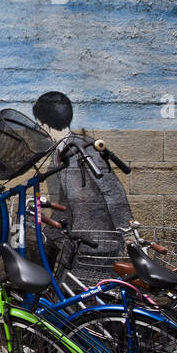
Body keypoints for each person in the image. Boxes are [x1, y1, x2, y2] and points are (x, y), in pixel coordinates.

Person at [32, 90, 133, 280]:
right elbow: (64, 205)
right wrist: (47, 234)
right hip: (80, 242)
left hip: (99, 243)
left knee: (80, 296)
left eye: (39, 124)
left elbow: (113, 192)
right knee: (67, 291)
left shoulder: (86, 150)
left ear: (46, 125)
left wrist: (129, 235)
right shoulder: (59, 154)